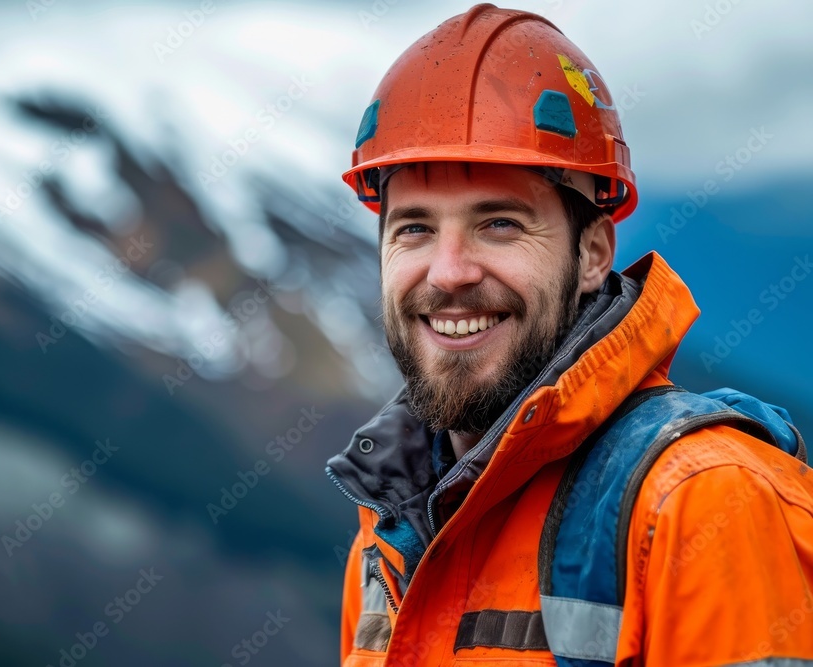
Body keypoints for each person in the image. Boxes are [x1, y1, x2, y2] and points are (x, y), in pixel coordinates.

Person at [325, 4, 813, 666]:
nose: (449, 272)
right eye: (414, 227)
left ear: (592, 253)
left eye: (498, 223)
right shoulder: (387, 540)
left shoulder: (701, 504)